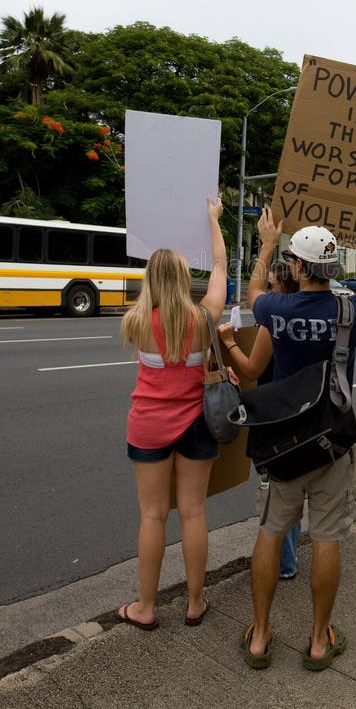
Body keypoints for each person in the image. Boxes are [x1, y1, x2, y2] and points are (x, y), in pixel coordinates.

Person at [241, 204, 356, 671]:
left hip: (283, 444)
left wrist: (266, 243)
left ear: (297, 267)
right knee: (328, 539)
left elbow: (252, 289)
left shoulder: (274, 308)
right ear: (332, 268)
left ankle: (259, 637)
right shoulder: (352, 310)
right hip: (332, 441)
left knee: (272, 532)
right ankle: (318, 641)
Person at [116, 197, 226, 630]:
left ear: (149, 280)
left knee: (152, 515)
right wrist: (213, 220)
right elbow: (219, 268)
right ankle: (195, 602)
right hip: (198, 423)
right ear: (183, 278)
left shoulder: (135, 322)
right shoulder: (203, 318)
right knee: (194, 512)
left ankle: (146, 607)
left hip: (148, 426)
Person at [218, 261, 302, 581]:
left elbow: (253, 370)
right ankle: (288, 556)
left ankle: (283, 562)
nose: (264, 293)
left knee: (275, 493)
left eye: (271, 287)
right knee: (292, 489)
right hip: (299, 414)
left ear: (285, 291)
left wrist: (229, 344)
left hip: (273, 420)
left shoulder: (273, 323)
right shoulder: (303, 317)